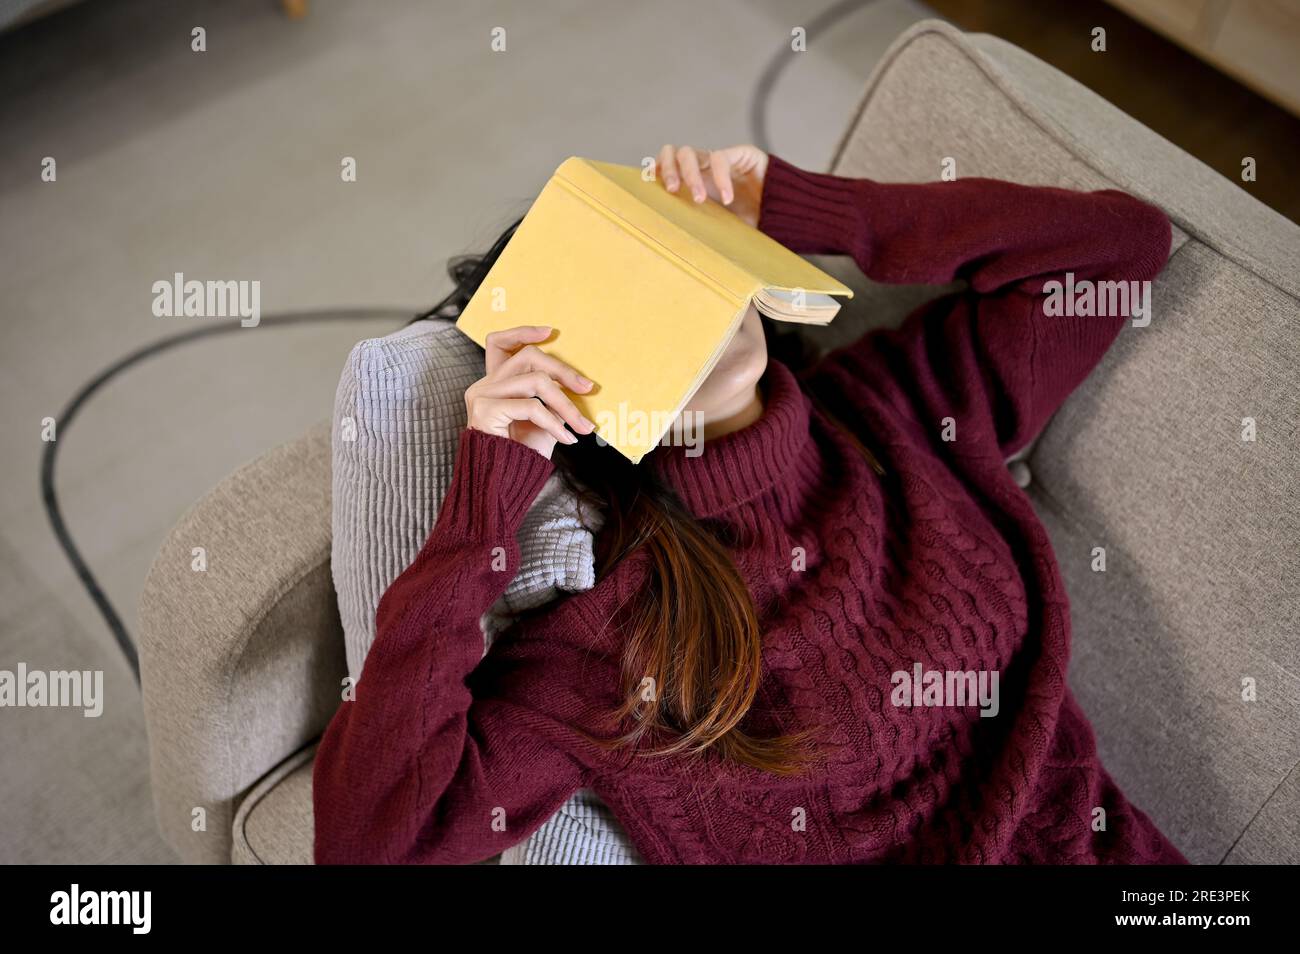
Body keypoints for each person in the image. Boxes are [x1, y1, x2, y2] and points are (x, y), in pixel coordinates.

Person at [312, 144, 1187, 864]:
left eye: (684, 260)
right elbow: (371, 848)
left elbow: (1122, 247)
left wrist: (806, 207)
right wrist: (479, 515)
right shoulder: (610, 648)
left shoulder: (901, 407)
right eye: (624, 303)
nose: (683, 303)